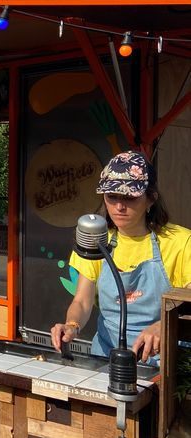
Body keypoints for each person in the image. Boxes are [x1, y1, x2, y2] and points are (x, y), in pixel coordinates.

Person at [51, 151, 191, 363]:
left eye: (129, 197)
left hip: (162, 361)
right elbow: (82, 301)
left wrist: (166, 325)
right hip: (106, 356)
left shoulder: (181, 242)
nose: (119, 206)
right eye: (112, 196)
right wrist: (71, 325)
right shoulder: (96, 239)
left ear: (151, 199)